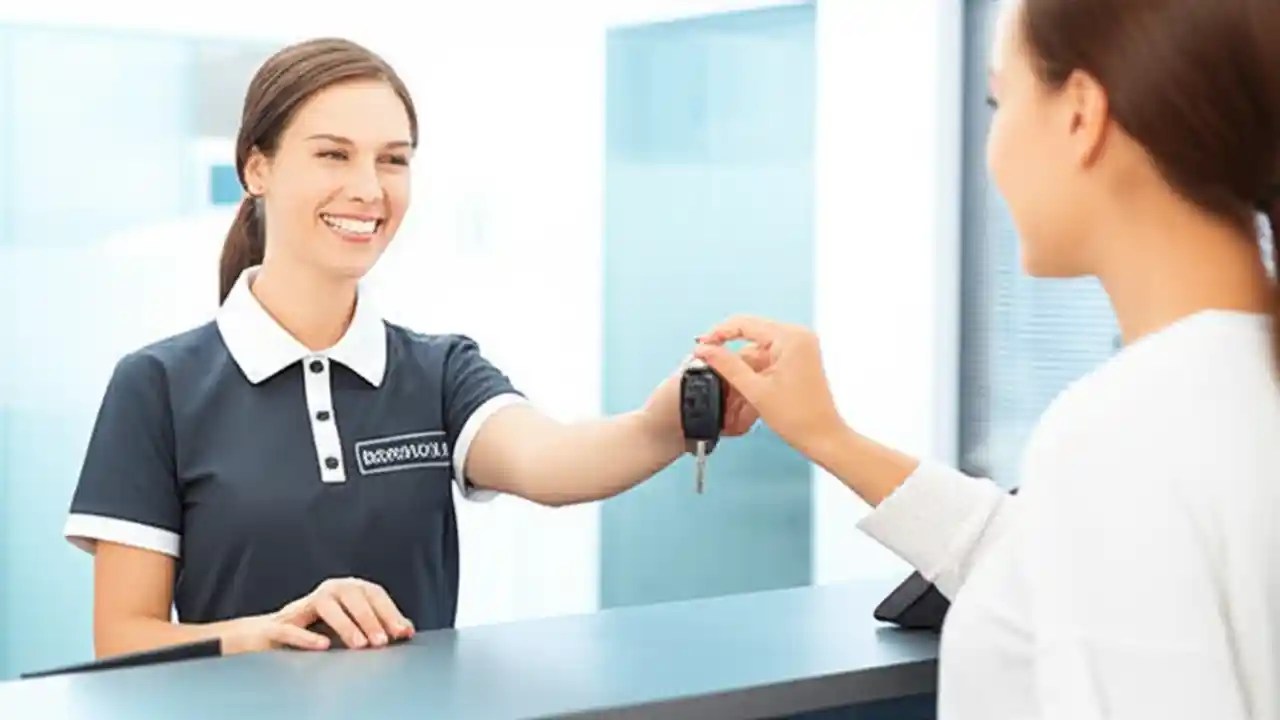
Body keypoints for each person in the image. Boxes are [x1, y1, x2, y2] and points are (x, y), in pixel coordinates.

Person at [63, 37, 756, 659]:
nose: (369, 189)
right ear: (256, 169)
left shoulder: (439, 370)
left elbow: (551, 463)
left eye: (392, 161)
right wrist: (264, 635)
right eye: (333, 153)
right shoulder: (157, 387)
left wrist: (663, 423)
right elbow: (123, 638)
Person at [695, 0, 1280, 717]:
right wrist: (829, 437)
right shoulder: (1224, 398)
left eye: (997, 100)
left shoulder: (1124, 434)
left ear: (1080, 114)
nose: (992, 145)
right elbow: (1055, 565)